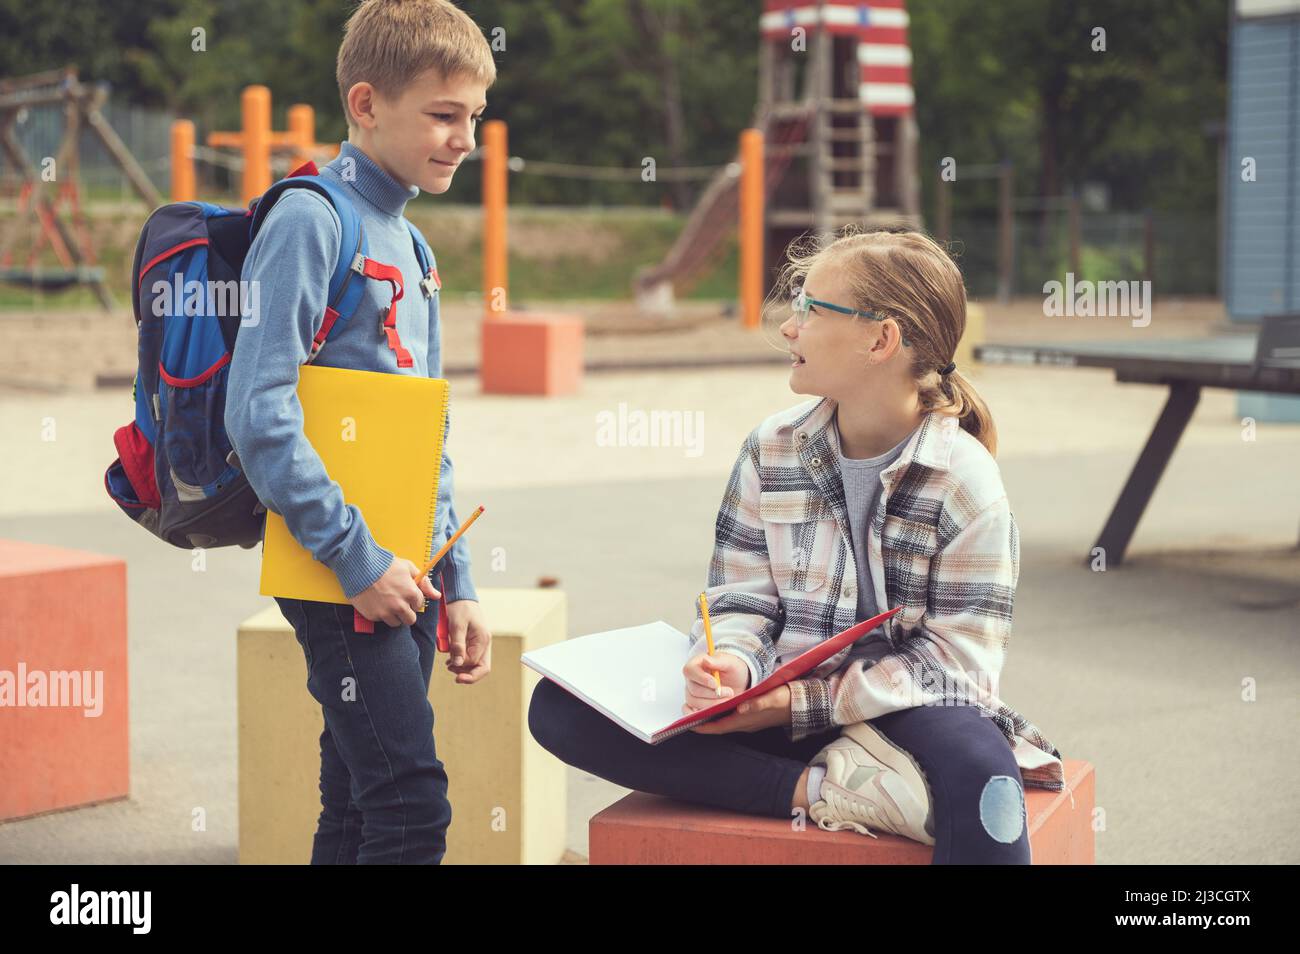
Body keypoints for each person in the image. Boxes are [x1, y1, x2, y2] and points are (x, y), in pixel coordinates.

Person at [528, 227, 1065, 864]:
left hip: (903, 707)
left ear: (880, 339)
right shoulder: (772, 447)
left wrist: (796, 706)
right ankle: (825, 791)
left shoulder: (966, 481)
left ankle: (854, 774)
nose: (789, 326)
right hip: (777, 704)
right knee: (560, 709)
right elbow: (739, 597)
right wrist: (731, 665)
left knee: (987, 786)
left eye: (811, 308)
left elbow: (959, 668)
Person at [225, 0, 496, 864]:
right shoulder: (312, 219)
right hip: (342, 567)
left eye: (475, 118)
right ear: (368, 105)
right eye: (444, 115)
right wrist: (356, 560)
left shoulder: (411, 244)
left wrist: (458, 580)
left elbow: (427, 430)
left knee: (353, 801)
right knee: (412, 808)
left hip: (405, 568)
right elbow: (257, 411)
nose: (465, 140)